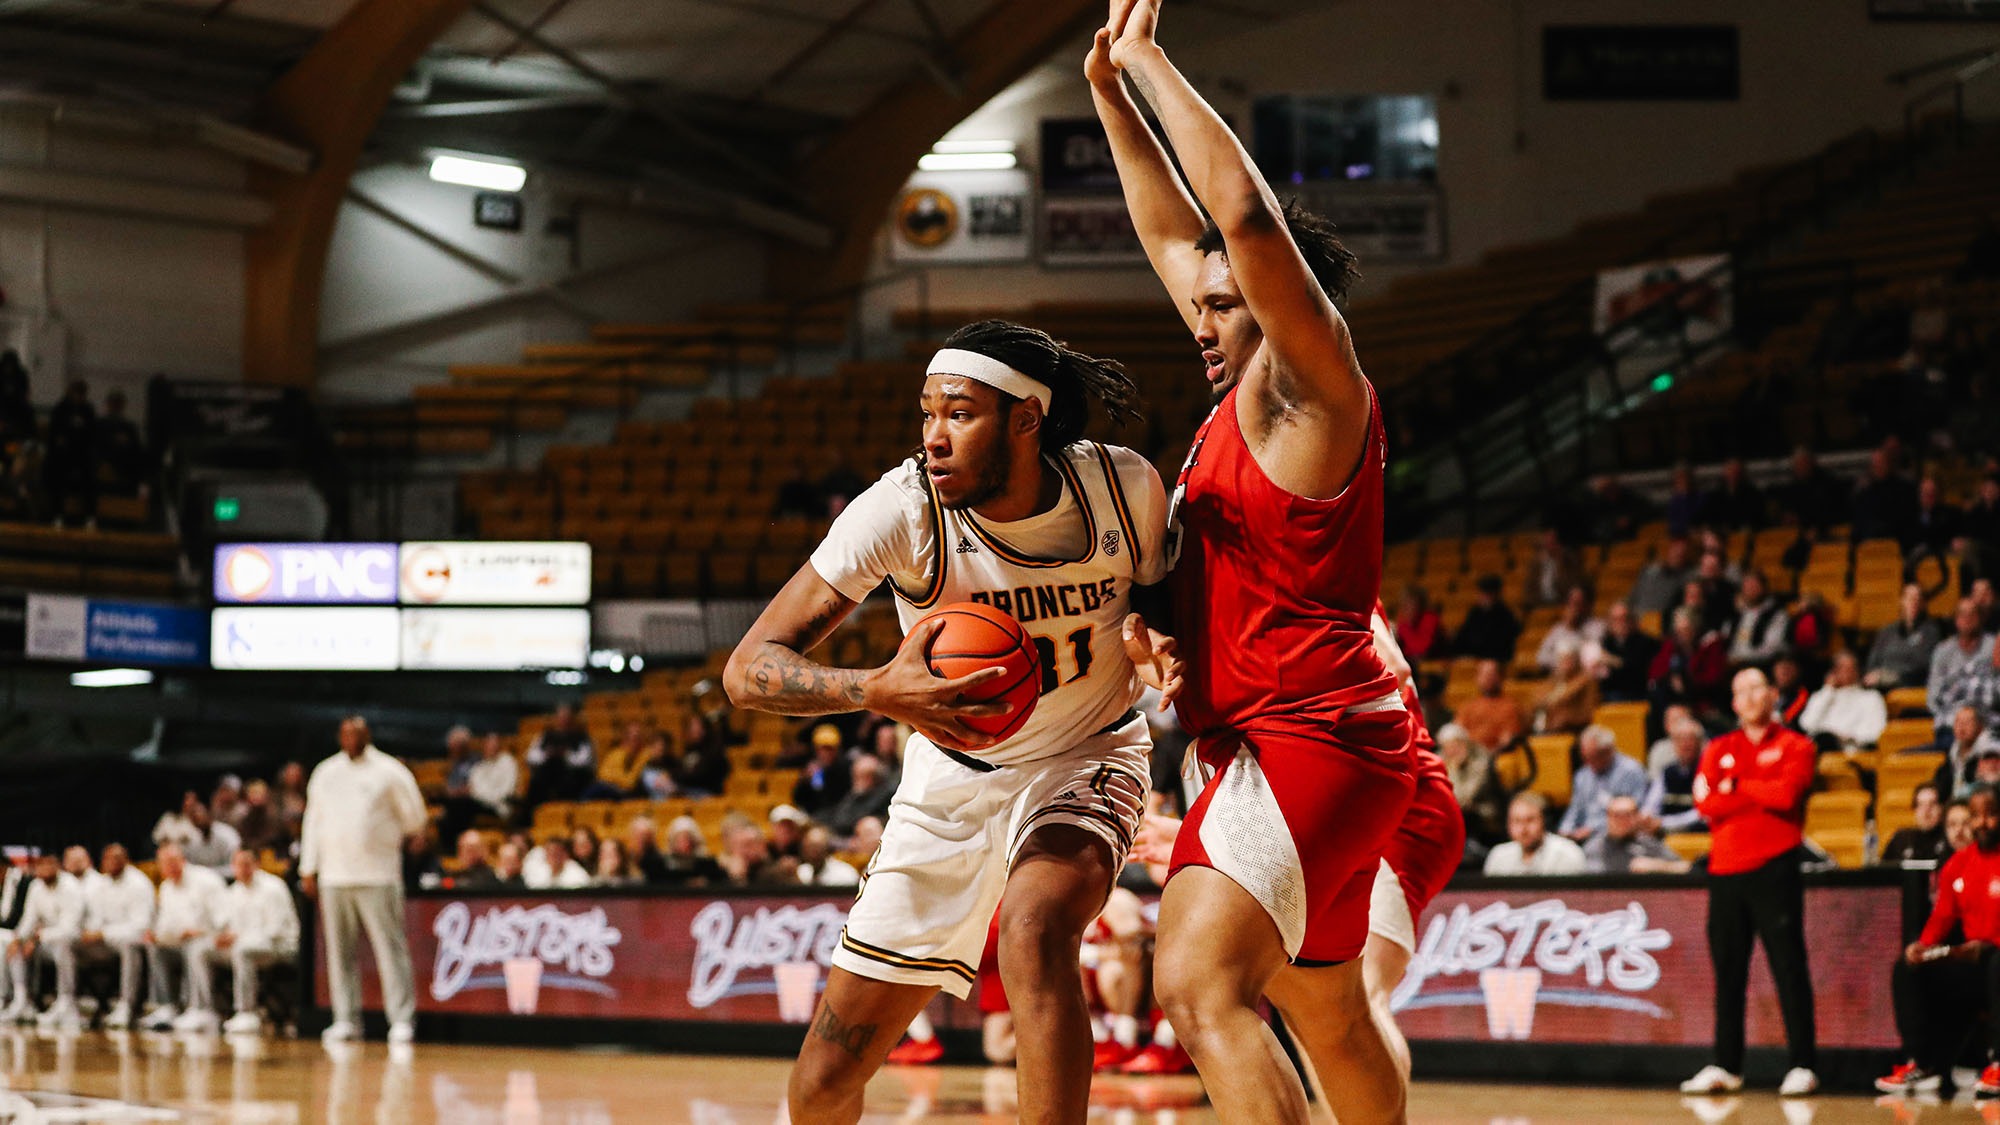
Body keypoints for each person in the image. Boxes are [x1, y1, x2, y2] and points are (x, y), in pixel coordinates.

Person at [1092, 4, 1428, 1117]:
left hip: (1307, 734)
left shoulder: (1309, 389)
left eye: (1226, 303)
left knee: (1197, 987)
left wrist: (1148, 60)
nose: (1200, 318)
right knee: (1324, 1009)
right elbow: (1176, 235)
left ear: (1282, 303)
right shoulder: (1232, 405)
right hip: (1276, 738)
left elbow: (1234, 217)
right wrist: (1106, 98)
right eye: (1199, 304)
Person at [721, 315, 1177, 1124]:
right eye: (926, 413)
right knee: (825, 1081)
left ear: (1025, 418)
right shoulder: (902, 510)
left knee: (1035, 930)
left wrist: (1164, 638)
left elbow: (1169, 611)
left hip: (1087, 752)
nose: (934, 436)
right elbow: (747, 668)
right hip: (949, 783)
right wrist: (872, 689)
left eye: (959, 414)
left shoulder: (1123, 488)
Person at [1681, 668, 1819, 1097]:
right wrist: (1757, 789)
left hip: (1774, 867)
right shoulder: (1718, 747)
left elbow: (1786, 796)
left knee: (1788, 966)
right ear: (1734, 703)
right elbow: (1706, 801)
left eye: (1758, 687)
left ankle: (1802, 1063)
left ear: (1774, 695)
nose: (1751, 695)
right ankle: (1727, 1064)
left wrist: (1737, 784)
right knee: (1728, 972)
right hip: (1724, 872)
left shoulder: (1797, 745)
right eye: (1741, 690)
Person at [300, 715, 428, 1047]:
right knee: (338, 953)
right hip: (334, 874)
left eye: (356, 733)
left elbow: (415, 818)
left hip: (378, 873)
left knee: (390, 948)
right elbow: (313, 821)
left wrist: (395, 838)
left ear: (367, 735)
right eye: (344, 733)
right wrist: (308, 867)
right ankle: (345, 1019)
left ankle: (400, 1020)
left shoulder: (389, 771)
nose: (350, 739)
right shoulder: (326, 773)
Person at [1878, 788, 2000, 1098]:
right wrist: (1922, 947)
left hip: (1994, 958)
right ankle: (1922, 1063)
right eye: (1976, 816)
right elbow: (1942, 917)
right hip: (1973, 963)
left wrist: (1988, 946)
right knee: (1908, 968)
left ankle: (1998, 1064)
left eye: (1991, 814)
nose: (1983, 823)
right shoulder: (1957, 865)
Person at [206, 849, 300, 1035]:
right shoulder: (233, 891)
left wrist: (237, 937)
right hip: (247, 946)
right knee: (202, 950)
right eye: (238, 865)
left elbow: (275, 931)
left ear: (256, 865)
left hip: (281, 946)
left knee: (243, 950)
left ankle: (246, 1012)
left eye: (246, 864)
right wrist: (222, 937)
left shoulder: (273, 888)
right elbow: (225, 925)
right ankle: (204, 1009)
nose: (242, 869)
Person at [139, 844, 224, 1032]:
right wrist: (157, 935)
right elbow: (165, 924)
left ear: (183, 860)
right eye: (164, 863)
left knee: (195, 946)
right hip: (178, 942)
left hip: (209, 940)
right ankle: (165, 1006)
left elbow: (222, 920)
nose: (169, 867)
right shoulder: (167, 887)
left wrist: (200, 931)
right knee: (154, 946)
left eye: (172, 861)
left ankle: (201, 1008)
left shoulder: (207, 881)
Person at [67, 843, 152, 1030]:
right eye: (106, 859)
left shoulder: (139, 883)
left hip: (131, 943)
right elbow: (97, 919)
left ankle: (126, 1005)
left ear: (126, 860)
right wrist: (89, 932)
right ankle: (67, 1002)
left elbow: (141, 925)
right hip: (105, 944)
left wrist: (103, 933)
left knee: (130, 945)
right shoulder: (102, 884)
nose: (110, 863)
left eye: (115, 859)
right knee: (69, 943)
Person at [1, 854, 82, 1025]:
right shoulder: (36, 886)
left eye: (49, 865)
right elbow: (28, 920)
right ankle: (20, 999)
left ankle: (65, 1001)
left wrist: (37, 937)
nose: (44, 869)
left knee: (63, 945)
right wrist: (19, 938)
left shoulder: (70, 886)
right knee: (10, 942)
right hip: (45, 941)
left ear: (58, 866)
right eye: (41, 865)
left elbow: (70, 929)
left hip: (75, 943)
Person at [1559, 725, 1654, 842]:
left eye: (1593, 757)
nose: (1589, 763)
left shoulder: (1631, 771)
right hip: (1581, 836)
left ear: (1609, 752)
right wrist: (1566, 830)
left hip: (1616, 836)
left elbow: (1633, 813)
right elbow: (1575, 809)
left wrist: (1593, 829)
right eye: (1585, 758)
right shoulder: (1583, 775)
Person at [1930, 599, 1996, 745]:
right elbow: (1933, 698)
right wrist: (1962, 720)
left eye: (1972, 614)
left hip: (1988, 724)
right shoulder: (1943, 651)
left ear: (1980, 618)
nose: (1967, 619)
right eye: (1962, 614)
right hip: (1952, 726)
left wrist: (1977, 720)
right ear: (1956, 620)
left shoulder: (1994, 647)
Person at [1798, 652, 1889, 751]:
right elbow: (1807, 724)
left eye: (1850, 668)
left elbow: (1877, 731)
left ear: (1858, 671)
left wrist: (1848, 738)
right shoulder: (1822, 695)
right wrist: (1828, 691)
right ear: (1833, 671)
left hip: (1853, 751)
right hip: (1821, 750)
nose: (1846, 673)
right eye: (1841, 668)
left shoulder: (1871, 697)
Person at [440, 732, 518, 845]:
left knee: (461, 804)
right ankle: (452, 845)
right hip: (479, 803)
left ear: (500, 745)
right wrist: (479, 795)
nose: (491, 748)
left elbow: (506, 791)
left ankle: (456, 844)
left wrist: (482, 795)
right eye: (488, 745)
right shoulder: (479, 767)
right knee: (452, 805)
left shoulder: (508, 762)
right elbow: (474, 789)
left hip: (499, 806)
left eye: (494, 744)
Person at [1867, 583, 1946, 691]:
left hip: (1910, 686)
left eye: (1917, 599)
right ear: (1901, 601)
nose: (1914, 603)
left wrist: (1895, 677)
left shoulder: (1931, 632)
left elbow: (1925, 666)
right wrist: (1874, 675)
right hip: (1880, 686)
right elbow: (1872, 662)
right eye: (1909, 598)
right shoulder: (1887, 632)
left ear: (1923, 604)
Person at [1483, 794, 1586, 875]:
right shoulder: (1498, 856)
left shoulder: (1568, 854)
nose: (1523, 829)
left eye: (1530, 820)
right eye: (1516, 821)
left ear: (1544, 821)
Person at [1584, 796, 1690, 875]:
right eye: (1617, 816)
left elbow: (1686, 868)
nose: (1622, 821)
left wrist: (1657, 865)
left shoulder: (1648, 843)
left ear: (1637, 817)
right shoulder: (1595, 846)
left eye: (1627, 815)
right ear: (1608, 818)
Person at [1436, 722, 1505, 844]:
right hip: (1455, 815)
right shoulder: (1441, 759)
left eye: (1455, 745)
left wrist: (1455, 770)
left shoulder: (1481, 761)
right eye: (1447, 748)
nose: (1452, 751)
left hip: (1483, 816)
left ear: (1464, 743)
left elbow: (1464, 798)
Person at [523, 703, 594, 810]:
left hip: (572, 775)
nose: (563, 720)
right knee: (535, 782)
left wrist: (566, 755)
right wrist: (546, 754)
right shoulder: (546, 735)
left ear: (572, 718)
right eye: (560, 717)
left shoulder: (581, 736)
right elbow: (530, 757)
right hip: (548, 775)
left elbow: (585, 761)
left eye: (566, 717)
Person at [1649, 712, 1710, 835]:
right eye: (1679, 740)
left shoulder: (1708, 772)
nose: (1685, 745)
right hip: (1667, 836)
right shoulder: (1667, 772)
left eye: (1690, 740)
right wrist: (1647, 817)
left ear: (1700, 744)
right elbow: (1651, 804)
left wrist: (1664, 822)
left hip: (1698, 836)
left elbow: (1703, 813)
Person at [1456, 658, 1527, 753]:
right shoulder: (1467, 706)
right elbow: (1457, 732)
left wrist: (1489, 756)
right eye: (1483, 675)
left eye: (1491, 674)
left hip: (1492, 756)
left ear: (1500, 677)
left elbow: (1507, 740)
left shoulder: (1510, 707)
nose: (1487, 679)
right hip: (1467, 754)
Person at [1725, 572, 1790, 672]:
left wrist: (1742, 658)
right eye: (1747, 587)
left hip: (1762, 666)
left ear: (1764, 588)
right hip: (1733, 665)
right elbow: (1725, 638)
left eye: (1754, 586)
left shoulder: (1776, 614)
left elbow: (1772, 648)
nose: (1750, 590)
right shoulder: (1736, 613)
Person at [1596, 602, 1660, 703]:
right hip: (1610, 694)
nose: (1621, 623)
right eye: (1616, 619)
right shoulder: (1606, 643)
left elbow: (1640, 672)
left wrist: (1615, 661)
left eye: (1625, 618)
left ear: (1633, 620)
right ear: (1610, 622)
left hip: (1638, 694)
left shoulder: (1647, 642)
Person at [821, 752, 895, 839]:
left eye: (859, 776)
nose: (855, 781)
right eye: (854, 776)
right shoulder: (858, 794)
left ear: (871, 778)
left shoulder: (883, 795)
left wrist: (855, 795)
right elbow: (838, 816)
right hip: (845, 835)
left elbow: (845, 822)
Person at [1932, 706, 2000, 799]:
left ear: (1980, 727)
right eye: (1958, 722)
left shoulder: (1991, 753)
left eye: (1967, 722)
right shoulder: (1953, 752)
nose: (1961, 727)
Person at [1454, 575, 1523, 663]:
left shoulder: (1505, 615)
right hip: (1473, 657)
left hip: (1496, 659)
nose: (1480, 597)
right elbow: (1463, 636)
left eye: (1484, 594)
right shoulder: (1475, 612)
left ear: (1493, 595)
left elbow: (1502, 644)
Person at [1880, 784, 1952, 867]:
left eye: (1932, 804)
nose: (1926, 811)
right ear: (1915, 810)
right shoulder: (1900, 839)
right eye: (1920, 805)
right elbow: (1883, 873)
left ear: (1941, 808)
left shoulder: (1950, 838)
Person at [1536, 586, 1604, 673]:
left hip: (1585, 675)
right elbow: (1541, 657)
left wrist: (1573, 629)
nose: (1574, 608)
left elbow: (1593, 654)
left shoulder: (1597, 627)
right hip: (1561, 674)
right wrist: (1561, 662)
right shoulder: (1558, 629)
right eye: (1571, 603)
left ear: (1587, 605)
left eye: (1578, 603)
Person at [790, 724, 852, 816]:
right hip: (815, 814)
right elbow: (798, 799)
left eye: (829, 749)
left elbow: (842, 797)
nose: (825, 753)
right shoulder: (811, 767)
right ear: (816, 750)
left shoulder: (846, 767)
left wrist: (827, 771)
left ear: (837, 749)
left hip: (839, 814)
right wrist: (805, 781)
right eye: (822, 749)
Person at [1535, 648, 1600, 735]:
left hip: (1575, 729)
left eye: (1567, 660)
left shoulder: (1586, 680)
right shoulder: (1554, 679)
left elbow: (1588, 712)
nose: (1563, 664)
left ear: (1576, 661)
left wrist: (1565, 718)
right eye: (1561, 660)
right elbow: (1539, 701)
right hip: (1550, 727)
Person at [1629, 536, 1695, 617]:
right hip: (1636, 617)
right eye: (1675, 549)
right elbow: (1633, 596)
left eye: (1681, 554)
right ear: (1669, 550)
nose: (1677, 554)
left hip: (1659, 622)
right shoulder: (1649, 570)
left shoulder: (1686, 579)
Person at [1701, 459, 1765, 531]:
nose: (1734, 475)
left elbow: (1758, 518)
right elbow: (1708, 518)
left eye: (1737, 472)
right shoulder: (1716, 496)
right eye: (1731, 471)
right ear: (1725, 473)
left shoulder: (1753, 495)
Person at [522, 837, 589, 890]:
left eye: (556, 853)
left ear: (565, 855)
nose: (553, 857)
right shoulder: (539, 871)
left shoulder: (577, 874)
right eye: (550, 853)